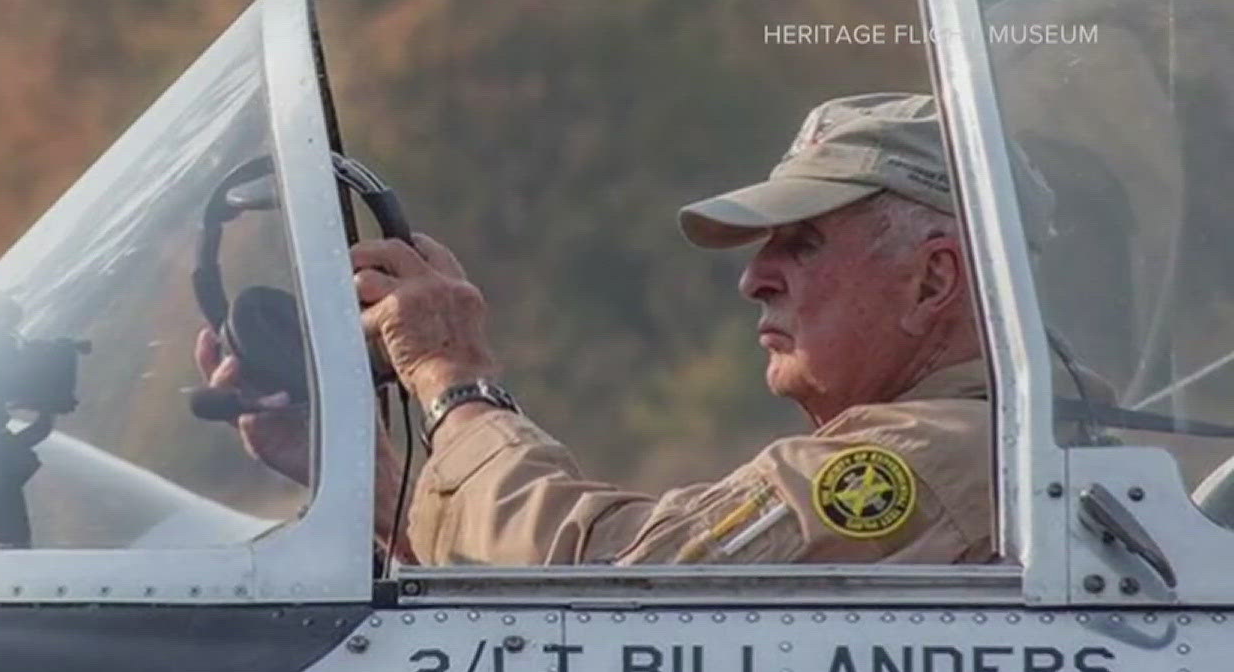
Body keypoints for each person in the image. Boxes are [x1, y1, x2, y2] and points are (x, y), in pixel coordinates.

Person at [199, 92, 993, 566]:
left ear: (933, 279)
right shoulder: (975, 448)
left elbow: (607, 600)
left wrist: (454, 381)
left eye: (804, 243)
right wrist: (380, 488)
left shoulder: (942, 453)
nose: (755, 279)